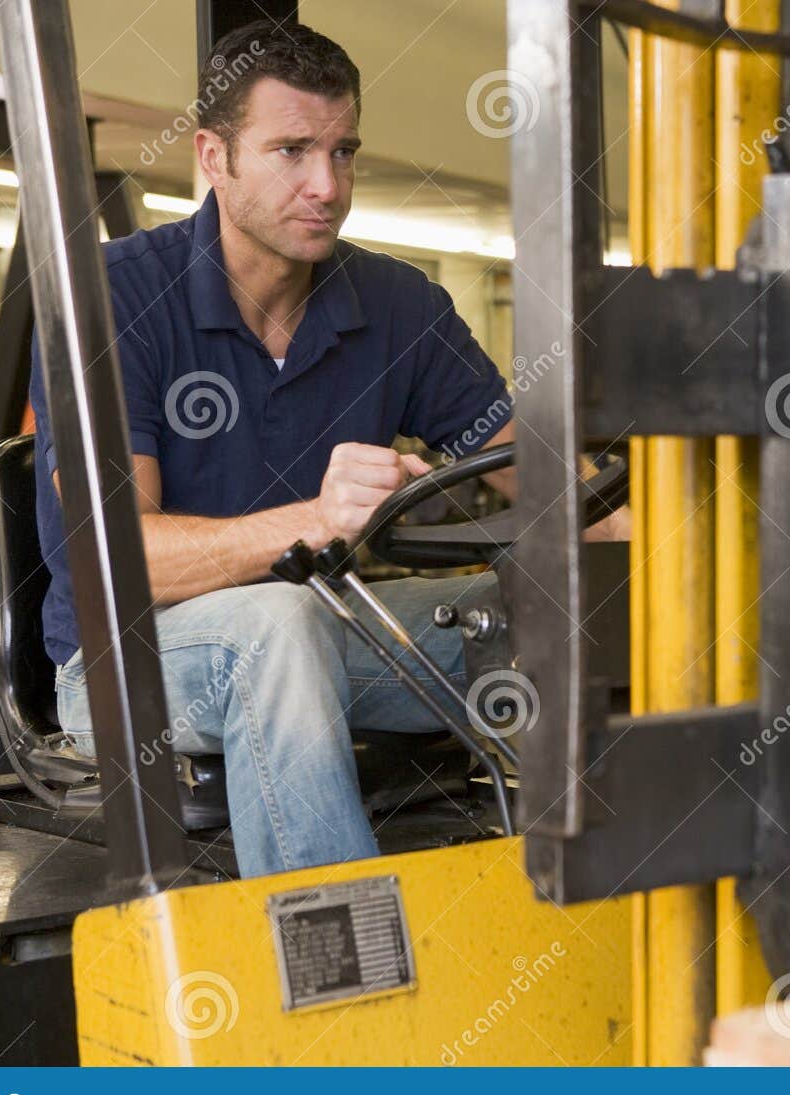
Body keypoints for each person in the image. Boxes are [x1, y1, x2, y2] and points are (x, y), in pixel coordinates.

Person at [32, 20, 624, 878]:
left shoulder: (396, 305)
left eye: (343, 151)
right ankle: (336, 955)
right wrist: (315, 518)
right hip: (130, 664)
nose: (326, 184)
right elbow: (114, 555)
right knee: (282, 620)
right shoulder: (113, 297)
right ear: (213, 155)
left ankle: (612, 901)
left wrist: (641, 547)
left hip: (333, 633)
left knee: (565, 606)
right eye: (292, 150)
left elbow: (528, 462)